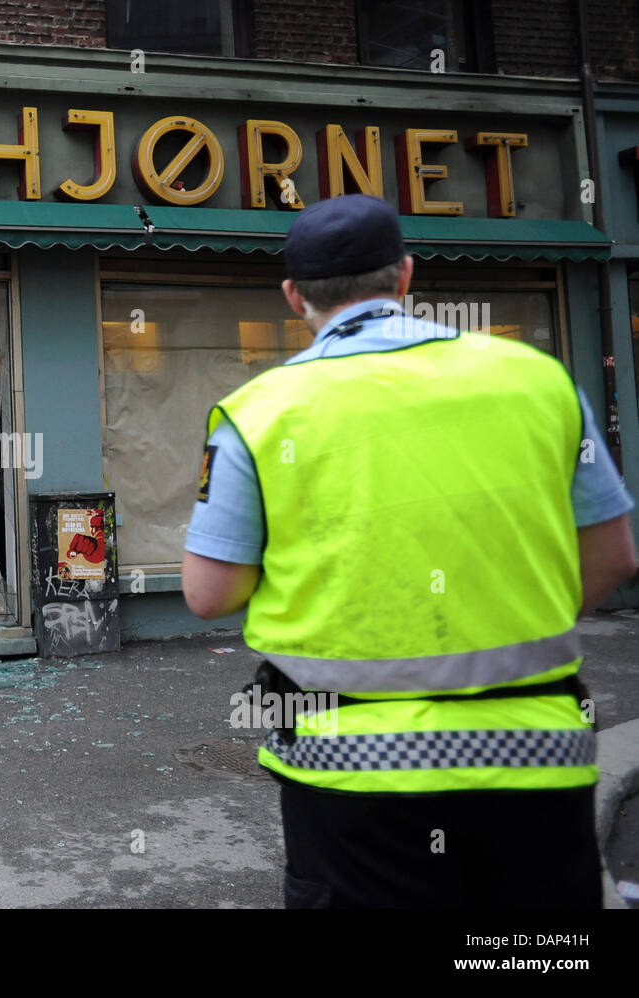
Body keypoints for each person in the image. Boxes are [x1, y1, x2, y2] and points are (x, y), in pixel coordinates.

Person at [180, 194, 638, 909]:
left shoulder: (261, 410)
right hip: (535, 753)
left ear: (293, 295)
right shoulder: (536, 379)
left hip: (348, 774)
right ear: (405, 275)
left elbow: (211, 594)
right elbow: (613, 558)